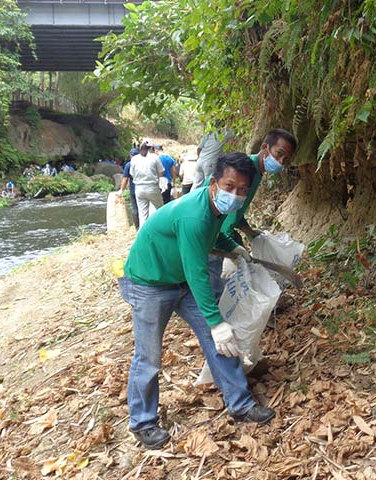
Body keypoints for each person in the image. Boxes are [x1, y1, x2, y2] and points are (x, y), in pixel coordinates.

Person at [119, 152, 274, 450]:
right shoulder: (195, 213)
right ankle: (142, 423)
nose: (235, 194)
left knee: (222, 342)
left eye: (242, 190)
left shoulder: (217, 209)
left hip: (179, 280)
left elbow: (212, 239)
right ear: (214, 183)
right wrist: (215, 323)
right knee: (148, 356)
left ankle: (240, 404)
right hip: (149, 282)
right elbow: (197, 271)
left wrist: (235, 249)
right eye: (229, 186)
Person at [205, 129, 298, 298]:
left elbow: (236, 209)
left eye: (285, 159)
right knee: (219, 282)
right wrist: (228, 253)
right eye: (279, 154)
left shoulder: (256, 171)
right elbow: (226, 208)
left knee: (241, 268)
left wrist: (247, 230)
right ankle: (219, 319)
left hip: (220, 227)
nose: (280, 161)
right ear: (265, 147)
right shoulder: (246, 170)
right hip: (210, 228)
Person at [129, 141, 164, 226]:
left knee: (143, 215)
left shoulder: (134, 159)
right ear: (151, 148)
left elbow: (132, 174)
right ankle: (161, 230)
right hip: (152, 187)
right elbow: (161, 173)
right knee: (161, 210)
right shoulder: (155, 157)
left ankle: (143, 235)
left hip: (139, 189)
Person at [119, 147, 141, 229]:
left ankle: (137, 228)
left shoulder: (129, 165)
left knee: (135, 209)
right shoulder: (143, 162)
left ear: (131, 155)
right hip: (144, 188)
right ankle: (145, 225)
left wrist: (121, 190)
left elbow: (125, 179)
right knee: (144, 208)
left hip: (133, 190)